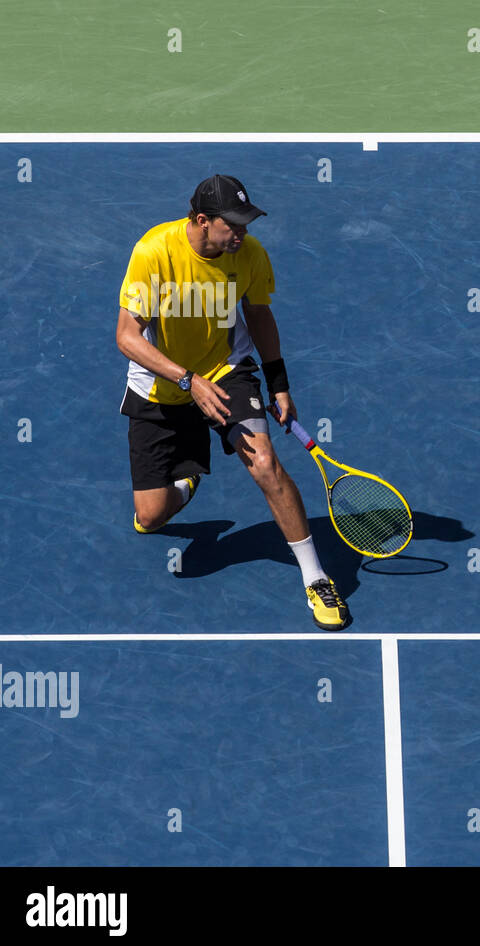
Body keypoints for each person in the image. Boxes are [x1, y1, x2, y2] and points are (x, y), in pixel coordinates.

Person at [115, 174, 351, 631]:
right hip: (161, 385)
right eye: (233, 226)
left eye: (246, 223)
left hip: (226, 373)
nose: (242, 234)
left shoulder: (249, 255)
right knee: (150, 516)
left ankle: (316, 576)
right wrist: (187, 381)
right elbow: (127, 337)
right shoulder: (153, 253)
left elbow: (258, 314)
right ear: (201, 221)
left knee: (265, 463)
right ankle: (187, 481)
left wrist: (278, 381)